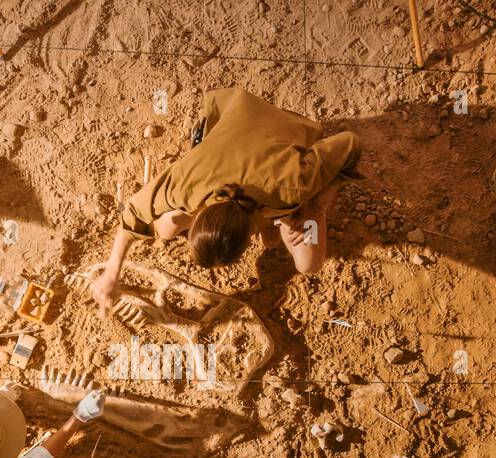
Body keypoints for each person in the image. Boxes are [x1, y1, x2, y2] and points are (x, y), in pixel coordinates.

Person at [91, 87, 362, 308]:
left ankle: (313, 216)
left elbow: (350, 142)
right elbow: (132, 216)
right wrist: (111, 274)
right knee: (166, 227)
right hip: (233, 110)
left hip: (291, 126)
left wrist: (315, 203)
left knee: (309, 264)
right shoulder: (184, 186)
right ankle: (277, 227)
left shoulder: (291, 189)